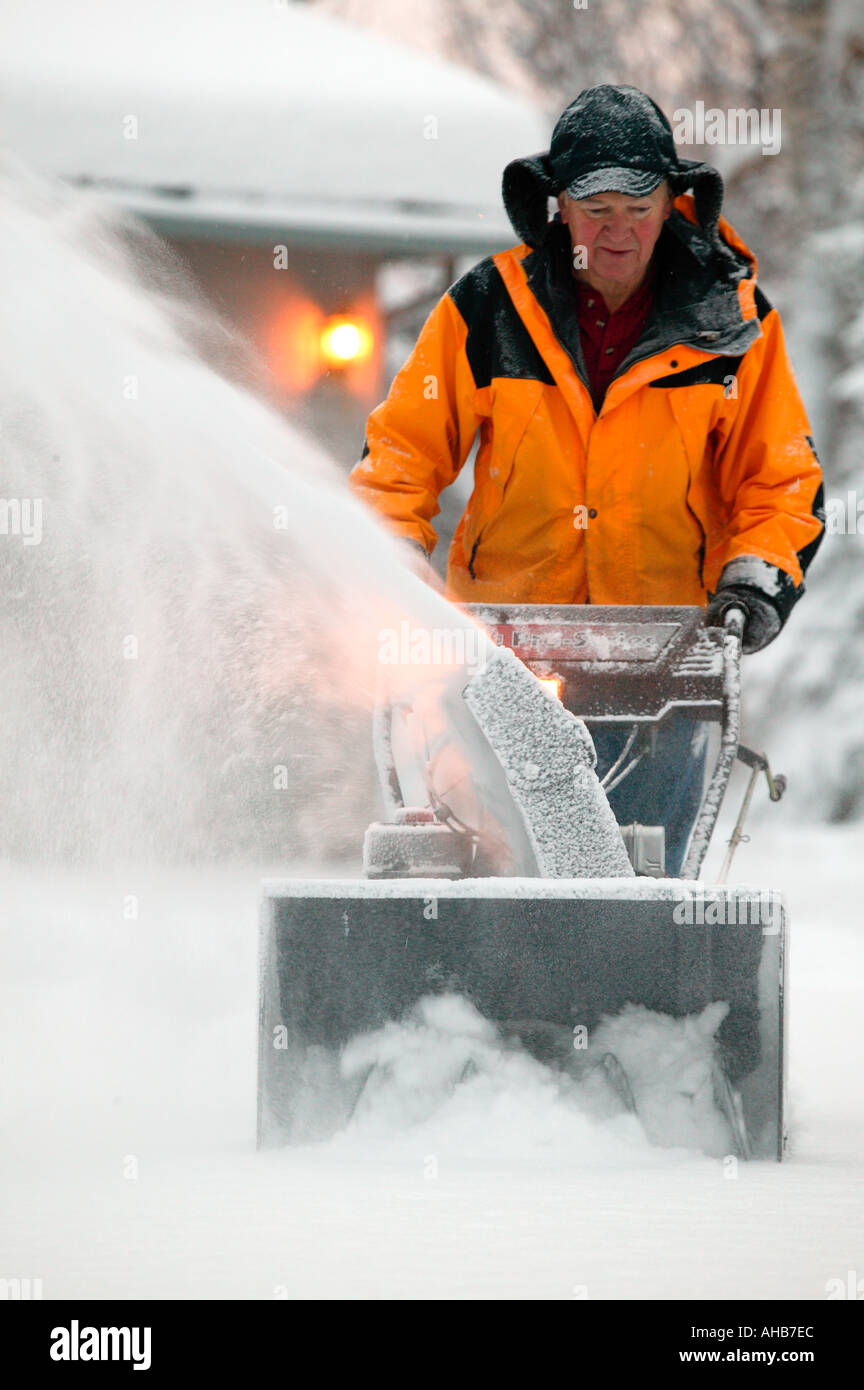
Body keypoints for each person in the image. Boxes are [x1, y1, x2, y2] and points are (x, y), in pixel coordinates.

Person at [349, 84, 825, 873]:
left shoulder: (732, 321)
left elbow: (780, 478)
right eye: (594, 206)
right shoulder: (486, 310)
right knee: (491, 880)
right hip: (500, 672)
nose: (618, 231)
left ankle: (641, 997)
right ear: (555, 208)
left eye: (639, 206)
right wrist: (392, 568)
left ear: (675, 204)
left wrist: (753, 583)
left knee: (644, 879)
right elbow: (400, 454)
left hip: (665, 677)